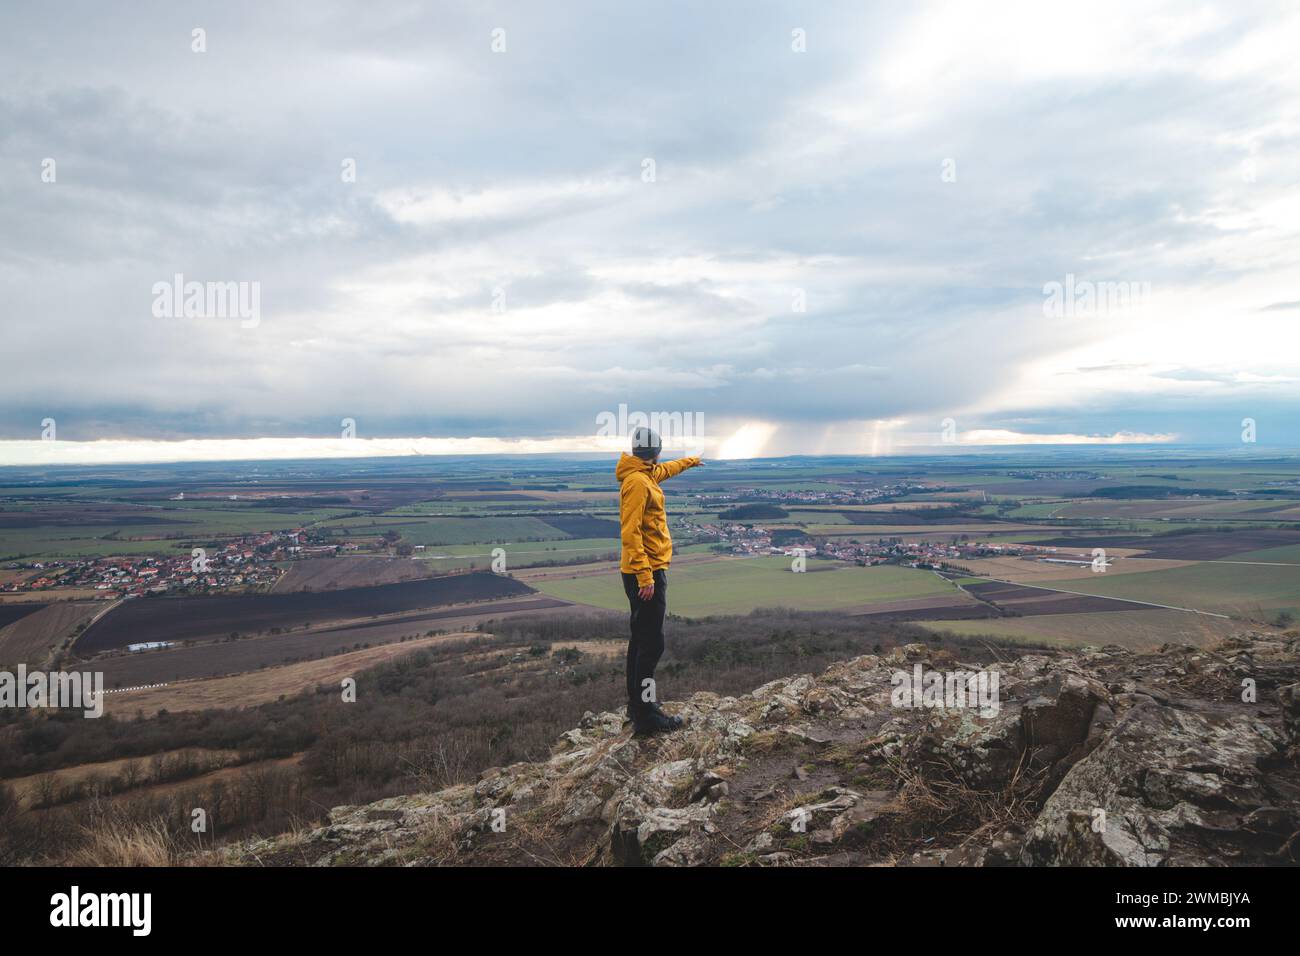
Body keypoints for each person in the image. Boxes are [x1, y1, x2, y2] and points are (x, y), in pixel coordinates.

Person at [616, 426, 703, 735]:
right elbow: (631, 532)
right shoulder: (639, 483)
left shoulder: (644, 473)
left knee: (640, 640)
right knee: (652, 644)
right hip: (646, 572)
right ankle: (646, 714)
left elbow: (664, 470)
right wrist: (645, 576)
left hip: (643, 571)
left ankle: (637, 706)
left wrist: (690, 461)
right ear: (656, 450)